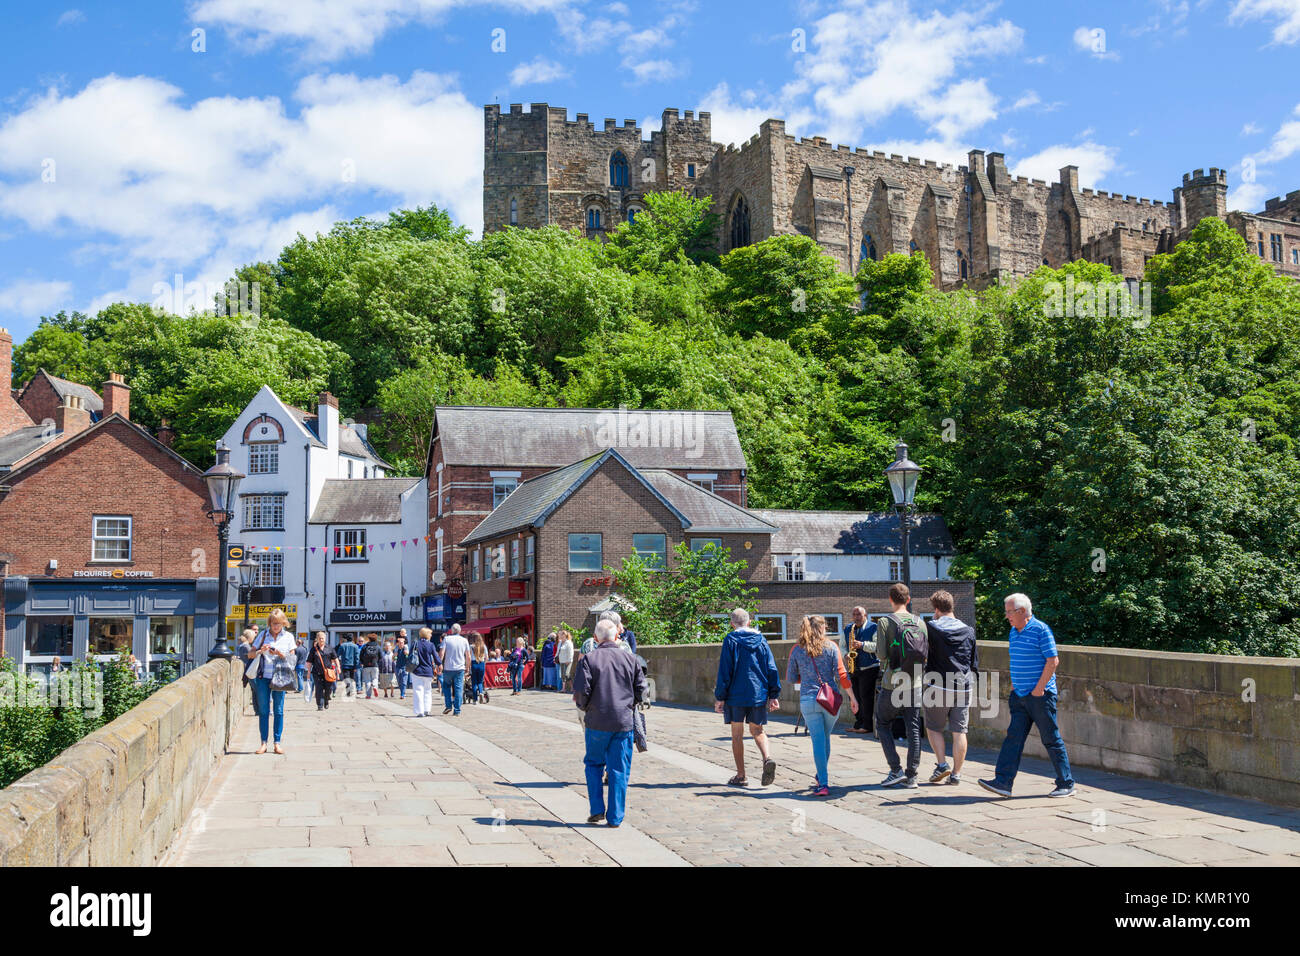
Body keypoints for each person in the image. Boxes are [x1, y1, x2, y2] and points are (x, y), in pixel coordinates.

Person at [979, 594, 1075, 798]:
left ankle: (1066, 783)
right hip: (1020, 696)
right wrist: (1015, 685)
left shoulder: (1041, 630)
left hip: (1040, 696)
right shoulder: (1014, 632)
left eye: (1009, 612)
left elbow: (1053, 661)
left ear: (1022, 611)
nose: (1006, 616)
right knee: (1013, 739)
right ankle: (1003, 782)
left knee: (1050, 738)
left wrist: (1039, 690)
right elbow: (1017, 660)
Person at [573, 619, 648, 827]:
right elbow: (642, 691)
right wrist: (628, 704)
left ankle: (597, 809)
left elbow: (581, 693)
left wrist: (587, 707)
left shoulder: (588, 659)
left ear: (595, 639)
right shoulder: (630, 659)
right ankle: (615, 817)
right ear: (617, 637)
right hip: (622, 722)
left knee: (594, 765)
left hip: (596, 721)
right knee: (619, 769)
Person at [860, 583, 926, 788]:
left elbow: (880, 654)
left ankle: (895, 769)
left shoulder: (886, 622)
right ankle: (912, 776)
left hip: (893, 682)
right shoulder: (920, 622)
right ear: (908, 600)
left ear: (890, 599)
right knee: (913, 729)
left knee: (882, 723)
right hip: (915, 681)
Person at [787, 615, 857, 796]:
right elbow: (843, 675)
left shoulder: (796, 649)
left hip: (809, 700)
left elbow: (791, 678)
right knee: (825, 738)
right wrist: (853, 699)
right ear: (822, 628)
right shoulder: (832, 647)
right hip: (829, 701)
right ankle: (821, 777)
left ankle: (823, 783)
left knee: (818, 741)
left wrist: (806, 676)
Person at [713, 608, 781, 788]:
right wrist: (774, 694)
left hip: (736, 695)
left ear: (732, 623)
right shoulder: (761, 640)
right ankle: (767, 758)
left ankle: (741, 775)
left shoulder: (730, 640)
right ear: (749, 622)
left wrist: (720, 697)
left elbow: (725, 670)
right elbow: (771, 668)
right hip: (758, 693)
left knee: (737, 735)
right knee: (758, 730)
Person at [923, 590, 978, 785]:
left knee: (933, 727)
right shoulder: (969, 630)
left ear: (936, 609)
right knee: (960, 731)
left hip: (938, 684)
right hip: (964, 685)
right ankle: (956, 774)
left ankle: (941, 764)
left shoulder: (931, 628)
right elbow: (973, 662)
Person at [248, 608, 296, 754]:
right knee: (263, 710)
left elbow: (293, 659)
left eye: (279, 623)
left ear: (283, 623)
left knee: (279, 710)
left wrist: (280, 654)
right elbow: (250, 655)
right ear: (269, 623)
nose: (276, 626)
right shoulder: (262, 635)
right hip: (263, 677)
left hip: (280, 678)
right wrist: (260, 651)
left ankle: (277, 743)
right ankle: (263, 743)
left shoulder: (288, 637)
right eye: (274, 623)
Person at [842, 607, 879, 737]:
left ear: (865, 615)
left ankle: (867, 725)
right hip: (854, 667)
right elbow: (842, 646)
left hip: (869, 667)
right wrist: (846, 654)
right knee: (854, 696)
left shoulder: (874, 627)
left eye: (859, 614)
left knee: (865, 697)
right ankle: (859, 723)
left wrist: (862, 645)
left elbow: (878, 646)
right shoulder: (848, 629)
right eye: (854, 614)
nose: (856, 617)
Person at [411, 627, 442, 718]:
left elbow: (410, 656)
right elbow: (436, 657)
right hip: (428, 671)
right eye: (430, 634)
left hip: (416, 671)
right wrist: (439, 665)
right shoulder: (431, 645)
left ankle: (420, 711)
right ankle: (426, 709)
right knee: (427, 691)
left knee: (418, 691)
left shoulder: (415, 644)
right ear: (427, 634)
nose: (431, 635)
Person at [440, 623, 470, 716]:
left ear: (452, 631)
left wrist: (439, 664)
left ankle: (448, 705)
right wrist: (467, 667)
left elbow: (442, 653)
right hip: (460, 668)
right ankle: (457, 710)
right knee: (458, 688)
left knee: (446, 687)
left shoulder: (446, 639)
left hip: (448, 668)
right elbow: (468, 656)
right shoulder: (464, 640)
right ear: (460, 631)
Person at [305, 631, 338, 711]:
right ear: (317, 639)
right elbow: (309, 662)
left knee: (328, 689)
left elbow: (335, 658)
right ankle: (320, 705)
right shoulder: (313, 650)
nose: (321, 640)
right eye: (320, 638)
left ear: (325, 639)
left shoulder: (330, 648)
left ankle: (326, 700)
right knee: (319, 688)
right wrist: (308, 672)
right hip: (317, 673)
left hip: (328, 673)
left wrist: (338, 667)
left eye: (323, 638)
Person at [336, 634, 360, 698]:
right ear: (352, 639)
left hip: (345, 664)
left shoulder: (342, 646)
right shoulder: (355, 646)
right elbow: (357, 657)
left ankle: (348, 690)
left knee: (346, 678)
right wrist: (356, 666)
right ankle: (350, 690)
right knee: (351, 678)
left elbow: (337, 655)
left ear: (346, 639)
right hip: (352, 665)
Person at [359, 633, 381, 699]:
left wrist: (363, 662)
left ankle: (368, 695)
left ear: (369, 639)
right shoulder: (378, 646)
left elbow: (361, 656)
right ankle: (374, 686)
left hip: (366, 666)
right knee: (375, 678)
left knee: (367, 680)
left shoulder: (365, 646)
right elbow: (381, 656)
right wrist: (377, 662)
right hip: (375, 665)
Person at [468, 635, 488, 704]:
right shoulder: (484, 646)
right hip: (481, 664)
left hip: (474, 664)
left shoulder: (471, 646)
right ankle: (481, 692)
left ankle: (475, 700)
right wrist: (483, 664)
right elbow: (487, 657)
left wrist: (468, 666)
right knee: (480, 681)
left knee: (474, 682)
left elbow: (469, 657)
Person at [394, 633, 411, 700]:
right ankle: (402, 692)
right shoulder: (396, 649)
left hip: (405, 667)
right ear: (398, 643)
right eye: (400, 642)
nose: (401, 644)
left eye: (402, 642)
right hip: (398, 667)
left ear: (404, 643)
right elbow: (394, 658)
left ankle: (402, 694)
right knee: (399, 681)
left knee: (404, 681)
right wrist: (394, 656)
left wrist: (407, 654)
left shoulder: (406, 649)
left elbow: (409, 658)